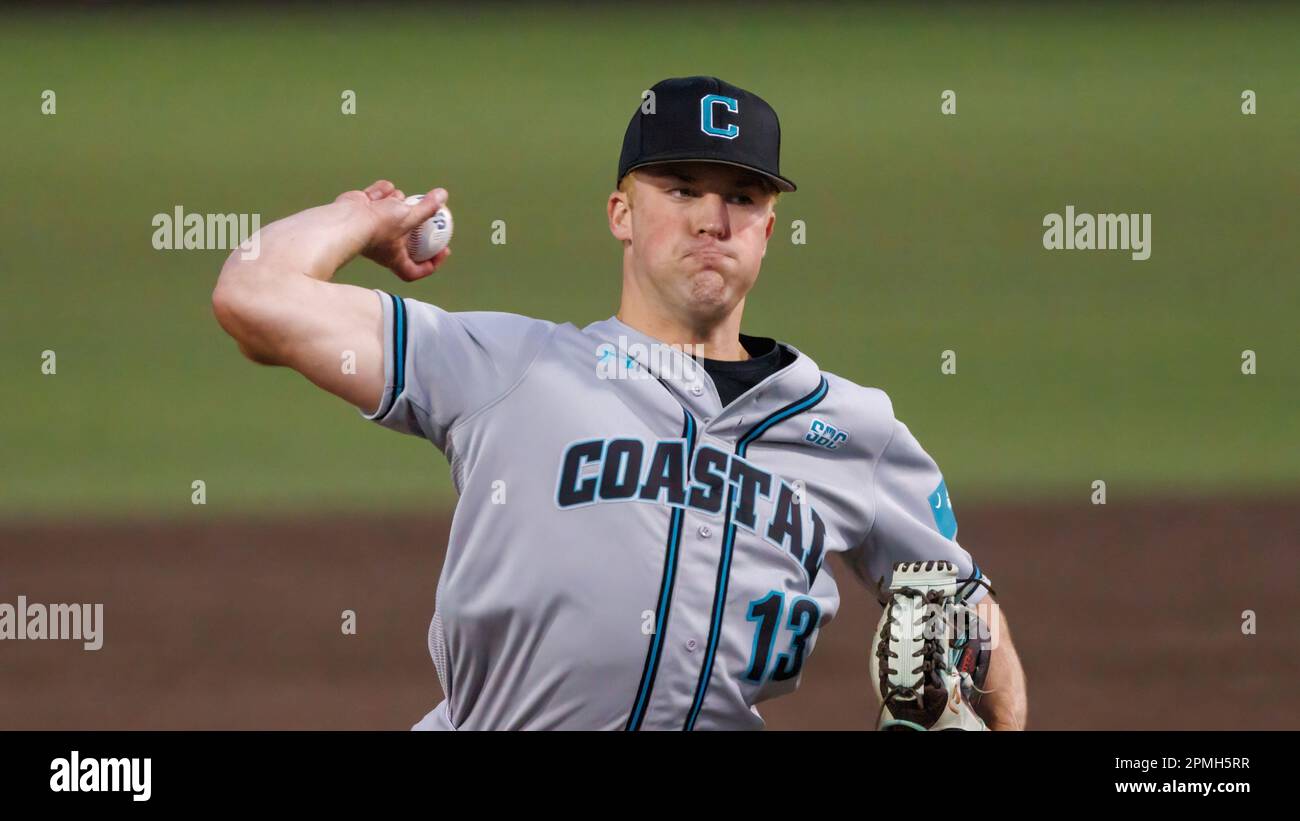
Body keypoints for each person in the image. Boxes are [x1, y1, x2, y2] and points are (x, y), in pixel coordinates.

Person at [212, 75, 1027, 730]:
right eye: (680, 187)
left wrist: (980, 712)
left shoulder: (854, 430)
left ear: (770, 230)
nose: (714, 217)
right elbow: (255, 294)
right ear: (621, 215)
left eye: (743, 197)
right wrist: (362, 215)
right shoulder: (507, 364)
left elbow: (964, 609)